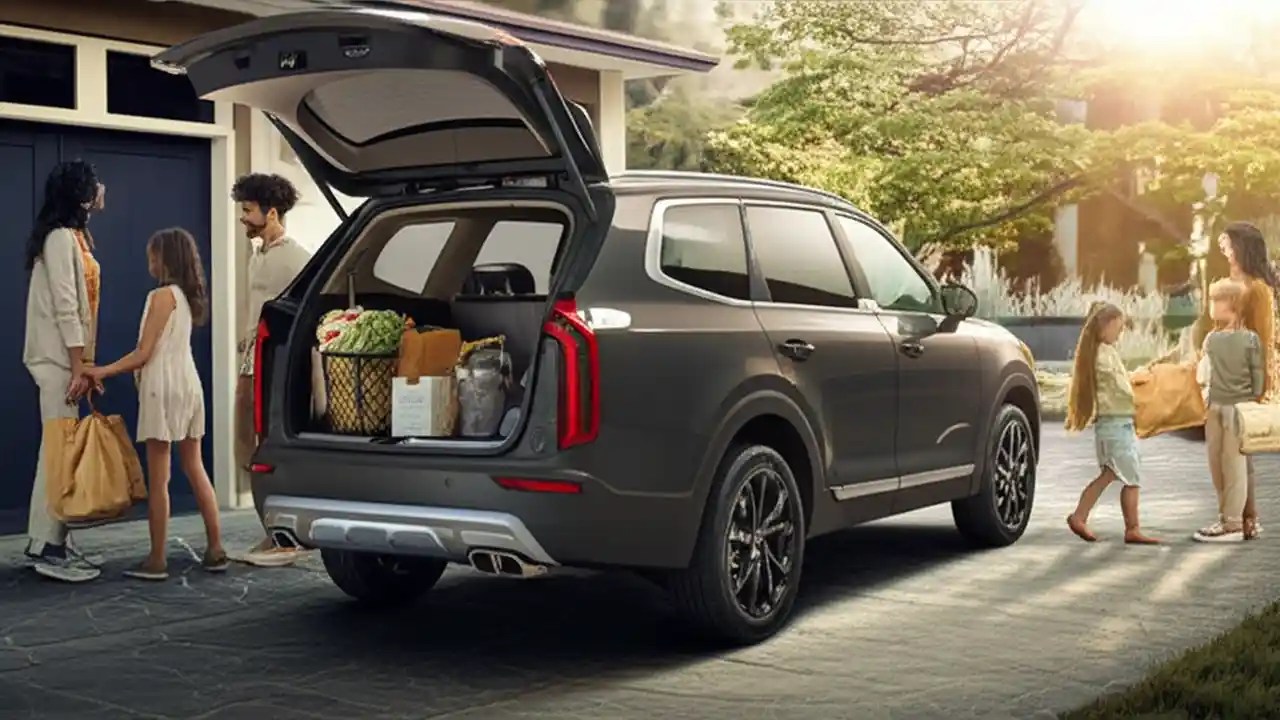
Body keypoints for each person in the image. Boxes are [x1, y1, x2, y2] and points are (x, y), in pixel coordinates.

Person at [87, 228, 226, 580]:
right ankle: (216, 549)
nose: (149, 261)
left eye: (152, 255)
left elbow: (143, 354)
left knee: (159, 478)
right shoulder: (185, 298)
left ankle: (157, 560)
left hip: (162, 389)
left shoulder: (161, 296)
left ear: (164, 258)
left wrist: (103, 370)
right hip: (188, 385)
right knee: (195, 467)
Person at [22, 161, 107, 583]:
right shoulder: (59, 240)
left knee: (56, 450)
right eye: (95, 185)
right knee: (60, 451)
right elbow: (66, 306)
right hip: (58, 364)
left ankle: (46, 540)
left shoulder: (73, 238)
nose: (102, 189)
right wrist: (79, 366)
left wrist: (84, 364)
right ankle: (50, 548)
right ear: (81, 194)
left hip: (67, 361)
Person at [231, 173, 312, 567]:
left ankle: (285, 538)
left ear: (272, 212)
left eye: (247, 210)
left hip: (274, 362)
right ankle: (272, 532)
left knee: (268, 443)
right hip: (250, 360)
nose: (243, 217)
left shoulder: (296, 258)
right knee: (247, 442)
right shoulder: (257, 254)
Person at [1064, 302, 1160, 545]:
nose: (1121, 332)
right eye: (1118, 327)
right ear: (1104, 326)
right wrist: (1145, 394)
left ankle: (1081, 516)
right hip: (1117, 426)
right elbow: (1122, 388)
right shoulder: (1103, 355)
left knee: (1111, 474)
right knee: (1130, 477)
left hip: (1113, 426)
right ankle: (1131, 528)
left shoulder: (1101, 352)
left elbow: (1121, 381)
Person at [1218, 222, 1277, 540]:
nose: (1224, 251)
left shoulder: (1258, 290)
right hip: (1228, 375)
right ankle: (1242, 517)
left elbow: (1264, 341)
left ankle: (1247, 518)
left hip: (1243, 379)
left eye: (1228, 245)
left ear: (1242, 248)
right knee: (1235, 452)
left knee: (1240, 451)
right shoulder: (1234, 285)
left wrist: (1260, 386)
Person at [1194, 278, 1264, 543]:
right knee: (1224, 465)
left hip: (1228, 408)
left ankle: (1232, 522)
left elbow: (1203, 373)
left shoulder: (1220, 340)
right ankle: (1232, 520)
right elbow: (1257, 379)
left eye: (1217, 300)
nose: (1212, 305)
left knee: (1229, 465)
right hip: (1228, 407)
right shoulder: (1244, 339)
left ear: (1231, 304)